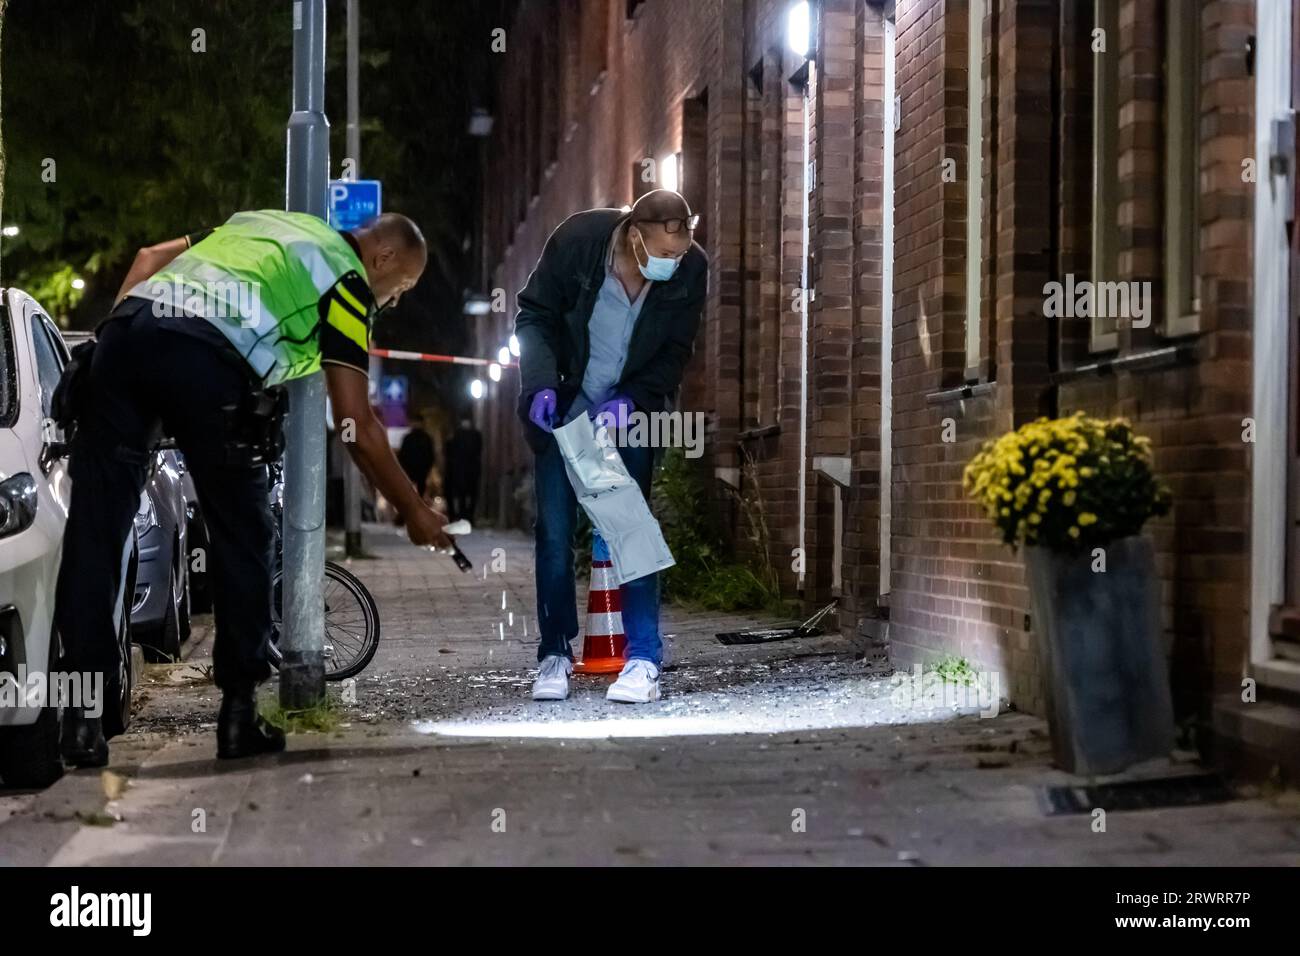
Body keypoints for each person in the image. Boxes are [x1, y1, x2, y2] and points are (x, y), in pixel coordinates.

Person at [55, 210, 453, 765]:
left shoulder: (263, 223)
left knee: (95, 535)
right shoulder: (346, 281)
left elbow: (148, 258)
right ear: (383, 256)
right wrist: (413, 510)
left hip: (124, 335)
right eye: (402, 286)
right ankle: (239, 715)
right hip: (206, 356)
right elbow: (356, 423)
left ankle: (80, 722)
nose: (394, 301)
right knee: (244, 533)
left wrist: (113, 354)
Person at [514, 189, 705, 704]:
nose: (673, 264)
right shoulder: (578, 241)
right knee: (555, 536)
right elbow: (533, 315)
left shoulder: (691, 269)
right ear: (635, 235)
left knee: (630, 532)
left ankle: (643, 659)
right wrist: (539, 384)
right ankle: (554, 654)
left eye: (680, 253)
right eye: (664, 254)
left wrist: (632, 399)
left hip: (624, 419)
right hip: (563, 412)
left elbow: (674, 354)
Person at [443, 414, 483, 522]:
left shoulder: (472, 435)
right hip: (463, 470)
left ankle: (467, 516)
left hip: (467, 470)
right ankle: (465, 515)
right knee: (464, 494)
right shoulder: (459, 435)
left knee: (469, 494)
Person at [397, 411, 436, 499]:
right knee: (416, 491)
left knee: (414, 492)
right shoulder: (424, 438)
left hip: (416, 470)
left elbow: (402, 455)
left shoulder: (422, 438)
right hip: (416, 469)